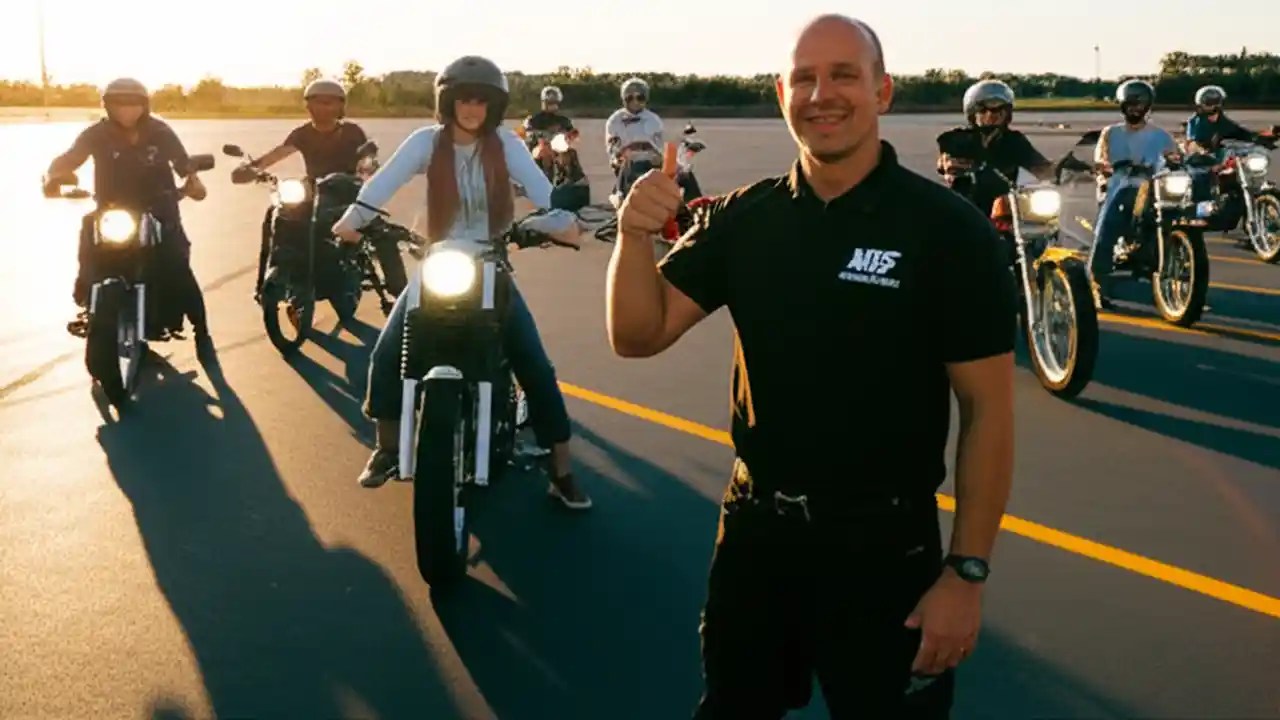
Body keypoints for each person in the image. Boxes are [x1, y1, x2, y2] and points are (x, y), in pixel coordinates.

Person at [607, 14, 1015, 718]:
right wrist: (632, 235)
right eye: (804, 79)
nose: (821, 95)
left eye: (843, 76)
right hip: (756, 538)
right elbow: (637, 335)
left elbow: (988, 413)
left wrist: (965, 574)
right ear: (782, 94)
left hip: (886, 552)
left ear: (882, 91)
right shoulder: (744, 219)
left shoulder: (949, 232)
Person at [331, 56, 592, 510]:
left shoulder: (506, 144)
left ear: (494, 106)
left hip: (491, 261)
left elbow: (542, 192)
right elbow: (381, 185)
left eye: (482, 101)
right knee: (388, 353)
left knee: (532, 362)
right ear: (447, 101)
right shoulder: (425, 142)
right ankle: (388, 446)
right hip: (438, 259)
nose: (472, 108)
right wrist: (353, 221)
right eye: (464, 99)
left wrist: (561, 221)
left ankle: (561, 469)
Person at [44, 77, 212, 351]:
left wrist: (194, 183)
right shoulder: (96, 134)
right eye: (118, 102)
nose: (126, 109)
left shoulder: (160, 132)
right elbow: (70, 158)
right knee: (89, 234)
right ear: (107, 105)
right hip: (113, 210)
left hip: (159, 208)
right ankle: (87, 296)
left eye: (133, 103)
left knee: (176, 260)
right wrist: (53, 176)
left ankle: (200, 326)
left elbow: (183, 164)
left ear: (144, 105)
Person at [230, 79, 406, 300]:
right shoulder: (302, 134)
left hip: (349, 189)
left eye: (329, 102)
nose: (323, 107)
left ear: (340, 106)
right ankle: (268, 282)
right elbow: (278, 153)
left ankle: (401, 291)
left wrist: (368, 166)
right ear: (308, 106)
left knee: (380, 231)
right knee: (277, 217)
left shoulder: (352, 131)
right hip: (315, 190)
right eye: (317, 102)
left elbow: (367, 157)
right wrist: (253, 168)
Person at [1088, 79, 1179, 309]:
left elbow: (1176, 156)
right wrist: (1107, 168)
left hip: (1154, 187)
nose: (1135, 109)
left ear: (1148, 107)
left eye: (1140, 105)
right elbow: (1100, 161)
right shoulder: (1111, 133)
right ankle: (1098, 282)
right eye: (1130, 105)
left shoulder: (1161, 135)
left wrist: (1178, 161)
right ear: (1122, 106)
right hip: (1121, 186)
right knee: (1106, 229)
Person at [937, 79, 1087, 213]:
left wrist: (1067, 168)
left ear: (1007, 113)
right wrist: (952, 166)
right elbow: (946, 162)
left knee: (1041, 227)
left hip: (1005, 207)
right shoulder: (956, 139)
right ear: (972, 113)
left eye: (999, 109)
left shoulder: (1014, 140)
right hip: (966, 207)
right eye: (984, 110)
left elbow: (1041, 167)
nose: (991, 115)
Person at [522, 85, 589, 210]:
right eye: (549, 103)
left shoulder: (563, 121)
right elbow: (529, 137)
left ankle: (575, 184)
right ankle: (541, 189)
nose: (551, 106)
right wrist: (538, 141)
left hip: (557, 148)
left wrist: (570, 138)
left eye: (554, 103)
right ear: (543, 102)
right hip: (538, 149)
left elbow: (572, 136)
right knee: (544, 152)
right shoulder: (533, 120)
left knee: (571, 153)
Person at [605, 77, 664, 201]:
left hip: (649, 165)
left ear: (646, 99)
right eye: (630, 98)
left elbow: (660, 149)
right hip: (626, 164)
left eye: (640, 98)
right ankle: (621, 196)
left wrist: (657, 157)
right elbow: (612, 148)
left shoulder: (654, 120)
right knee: (628, 166)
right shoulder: (615, 120)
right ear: (623, 99)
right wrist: (617, 158)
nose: (635, 102)